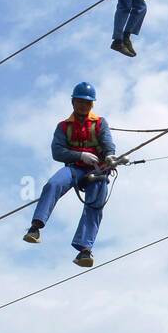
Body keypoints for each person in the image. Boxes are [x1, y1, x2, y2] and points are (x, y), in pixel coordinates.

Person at [22, 82, 121, 267]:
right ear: (73, 102)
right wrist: (80, 155)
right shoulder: (63, 126)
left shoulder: (100, 123)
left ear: (92, 105)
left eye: (87, 103)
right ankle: (35, 228)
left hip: (97, 170)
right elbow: (57, 152)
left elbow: (108, 144)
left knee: (96, 203)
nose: (83, 105)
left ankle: (85, 249)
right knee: (53, 184)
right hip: (74, 169)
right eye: (80, 101)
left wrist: (109, 157)